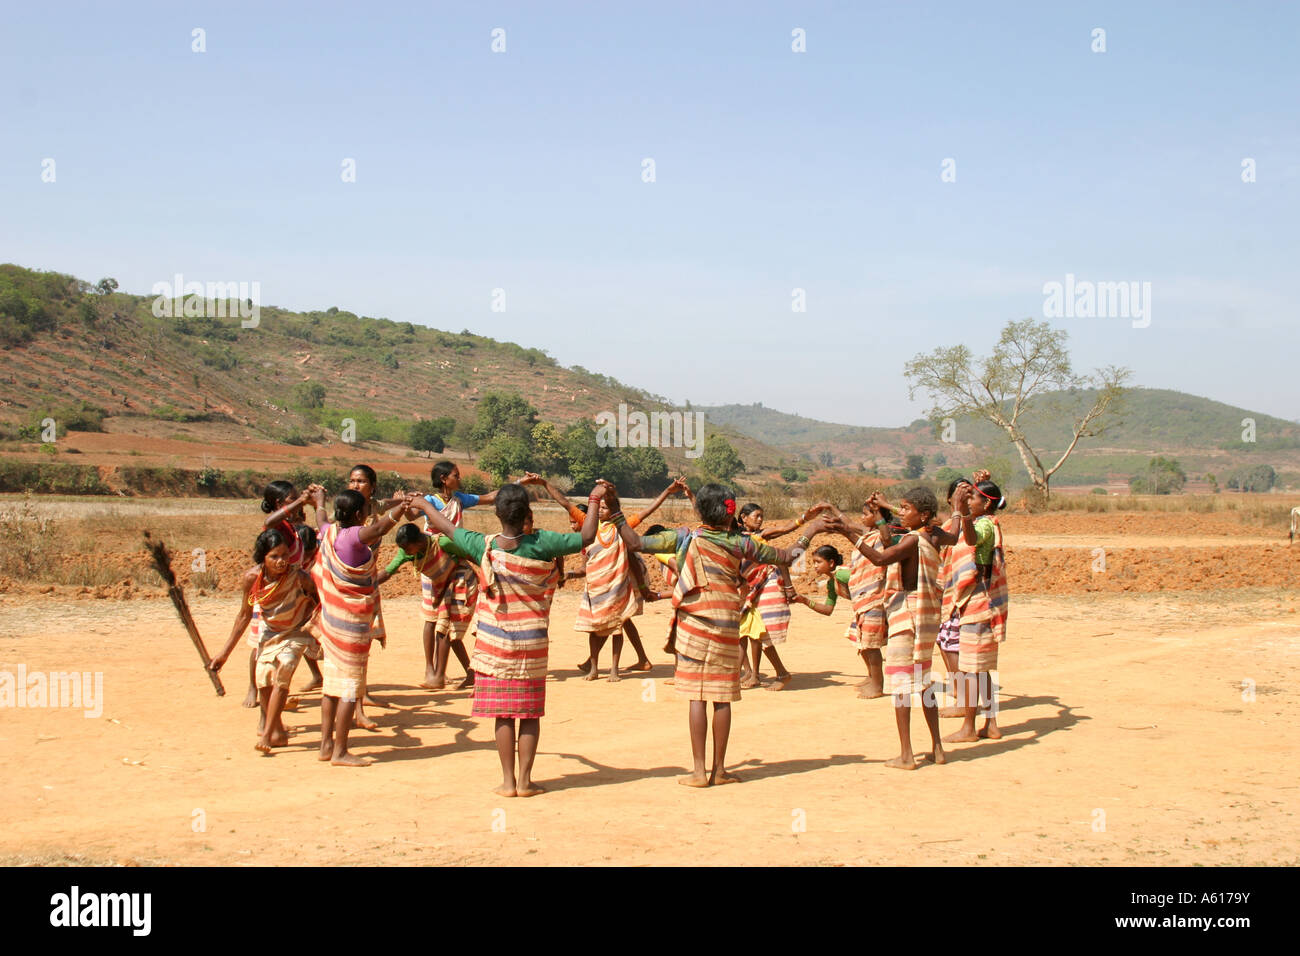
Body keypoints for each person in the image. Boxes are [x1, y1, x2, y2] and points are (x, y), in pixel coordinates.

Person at [617, 484, 827, 787]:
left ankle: (699, 773)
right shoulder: (742, 543)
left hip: (693, 624)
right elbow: (786, 555)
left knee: (696, 698)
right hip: (727, 622)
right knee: (722, 698)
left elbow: (635, 542)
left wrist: (613, 510)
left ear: (700, 511)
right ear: (732, 513)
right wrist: (814, 528)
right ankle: (720, 770)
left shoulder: (684, 537)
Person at [411, 479, 601, 797]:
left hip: (495, 646)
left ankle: (509, 782)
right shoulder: (543, 542)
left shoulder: (483, 545)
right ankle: (526, 782)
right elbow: (587, 536)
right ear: (527, 513)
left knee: (503, 713)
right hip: (532, 644)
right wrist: (594, 500)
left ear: (498, 514)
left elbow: (446, 528)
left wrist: (424, 506)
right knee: (528, 714)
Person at [828, 488, 960, 771]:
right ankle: (937, 748)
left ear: (923, 514)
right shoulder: (935, 535)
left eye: (906, 508)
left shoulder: (913, 540)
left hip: (907, 614)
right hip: (926, 618)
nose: (902, 513)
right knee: (924, 681)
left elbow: (880, 558)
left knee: (901, 686)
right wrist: (958, 508)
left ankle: (906, 754)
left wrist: (849, 535)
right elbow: (956, 534)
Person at [530, 473, 686, 679]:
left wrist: (667, 491)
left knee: (617, 628)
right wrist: (544, 484)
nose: (601, 510)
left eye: (605, 507)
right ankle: (594, 667)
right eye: (598, 507)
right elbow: (566, 503)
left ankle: (614, 669)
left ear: (613, 509)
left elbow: (647, 511)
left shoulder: (622, 526)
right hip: (595, 588)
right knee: (593, 630)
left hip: (616, 588)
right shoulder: (587, 524)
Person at [310, 487, 407, 767]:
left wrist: (318, 501)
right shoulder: (353, 538)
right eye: (365, 509)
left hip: (331, 625)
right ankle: (341, 751)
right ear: (357, 514)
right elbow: (380, 528)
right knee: (350, 689)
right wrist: (402, 507)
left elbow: (319, 518)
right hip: (351, 626)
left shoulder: (329, 532)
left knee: (331, 687)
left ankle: (326, 744)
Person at [210, 528, 319, 752]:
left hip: (297, 631)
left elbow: (319, 602)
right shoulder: (252, 578)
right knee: (264, 678)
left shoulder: (299, 576)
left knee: (284, 670)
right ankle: (277, 731)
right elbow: (244, 615)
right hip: (270, 632)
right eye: (274, 557)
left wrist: (316, 629)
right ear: (263, 558)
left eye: (284, 555)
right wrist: (224, 654)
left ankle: (267, 735)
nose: (281, 562)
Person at [420, 461, 501, 690]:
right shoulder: (430, 502)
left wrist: (517, 485)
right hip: (434, 562)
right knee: (431, 616)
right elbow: (409, 514)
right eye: (456, 475)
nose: (460, 478)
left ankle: (439, 671)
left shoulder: (459, 500)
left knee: (445, 617)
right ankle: (431, 668)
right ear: (444, 478)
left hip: (455, 563)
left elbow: (488, 497)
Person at [940, 475, 1009, 742]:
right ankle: (990, 724)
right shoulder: (986, 521)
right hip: (983, 604)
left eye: (974, 498)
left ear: (986, 504)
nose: (969, 501)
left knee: (970, 669)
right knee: (982, 670)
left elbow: (969, 539)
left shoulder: (985, 527)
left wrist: (963, 513)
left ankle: (969, 728)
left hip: (978, 602)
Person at [736, 502, 831, 691]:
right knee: (747, 631)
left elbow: (785, 530)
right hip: (751, 588)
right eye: (757, 516)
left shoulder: (760, 536)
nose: (761, 520)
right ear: (743, 518)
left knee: (760, 632)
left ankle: (778, 673)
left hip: (767, 584)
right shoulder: (736, 537)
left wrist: (806, 518)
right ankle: (751, 673)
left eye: (762, 516)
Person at [825, 500, 901, 699]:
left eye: (866, 514)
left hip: (874, 597)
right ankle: (871, 677)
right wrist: (831, 507)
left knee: (871, 645)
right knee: (863, 643)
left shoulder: (884, 535)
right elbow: (847, 523)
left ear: (877, 517)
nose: (862, 517)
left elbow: (885, 540)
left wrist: (879, 517)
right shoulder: (868, 534)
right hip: (862, 598)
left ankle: (877, 685)